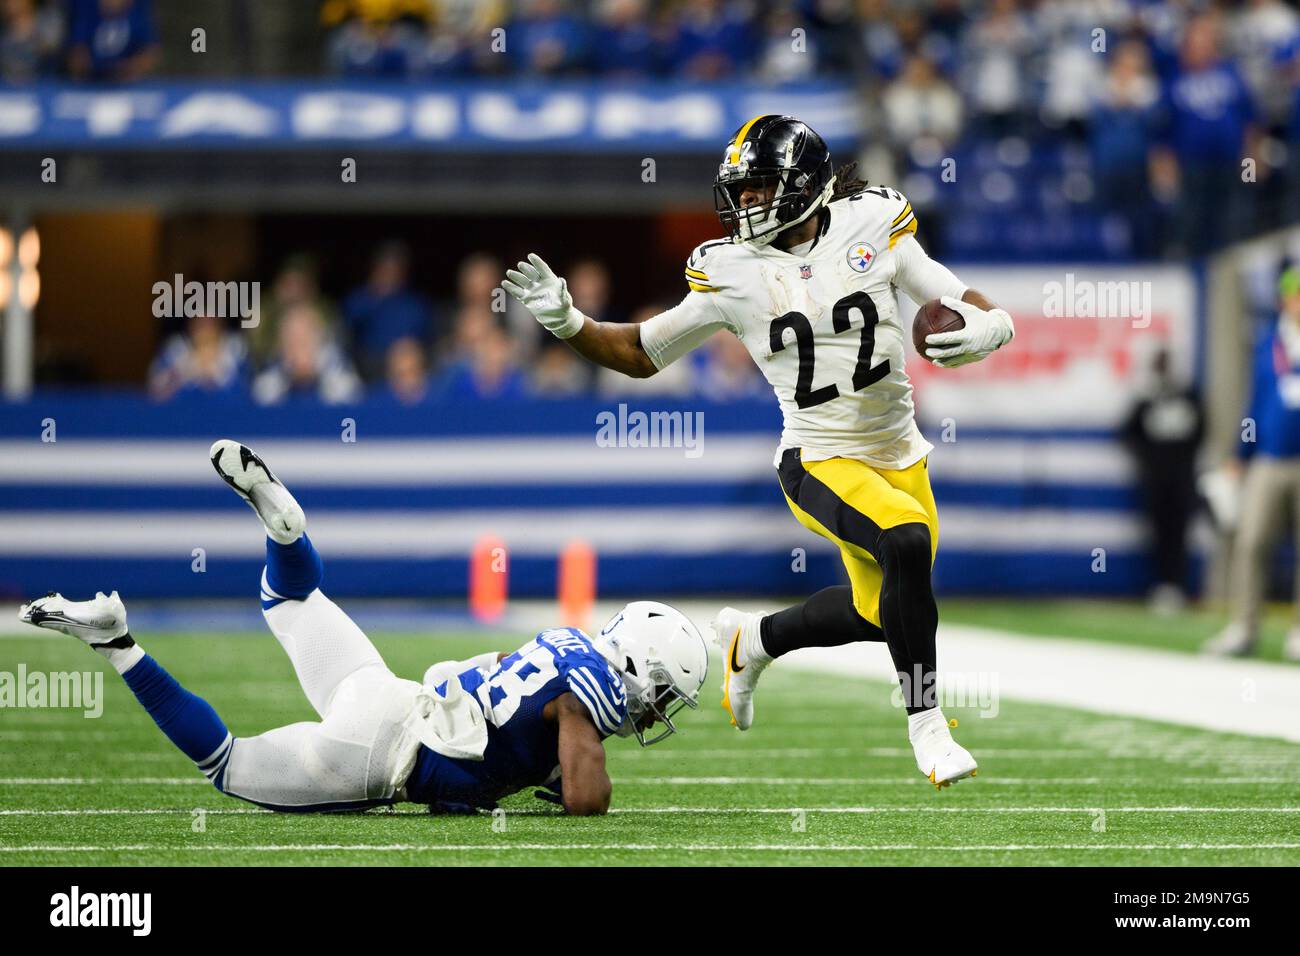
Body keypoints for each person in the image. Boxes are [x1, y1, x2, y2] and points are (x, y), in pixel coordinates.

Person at [505, 114, 1016, 789]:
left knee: (881, 609)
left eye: (759, 189)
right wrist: (570, 323)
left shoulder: (872, 220)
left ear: (804, 184)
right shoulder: (733, 270)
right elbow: (639, 352)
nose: (745, 205)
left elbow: (948, 292)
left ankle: (756, 640)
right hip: (816, 457)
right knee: (907, 541)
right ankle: (926, 726)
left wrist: (991, 324)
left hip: (899, 452)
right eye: (739, 192)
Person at [18, 440, 708, 815]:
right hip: (380, 756)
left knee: (287, 599)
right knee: (228, 765)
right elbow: (587, 801)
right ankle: (115, 640)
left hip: (390, 694)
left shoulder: (565, 643)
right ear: (642, 668)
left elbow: (510, 687)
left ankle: (287, 534)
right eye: (665, 693)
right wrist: (577, 763)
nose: (659, 711)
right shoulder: (588, 705)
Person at [1205, 266, 1300, 660]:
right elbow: (1255, 403)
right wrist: (1239, 455)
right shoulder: (1269, 343)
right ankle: (1244, 626)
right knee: (1252, 541)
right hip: (1269, 459)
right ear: (1284, 298)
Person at [1120, 348, 1204, 614]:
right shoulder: (1146, 398)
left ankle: (1178, 586)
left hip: (1181, 479)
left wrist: (1184, 460)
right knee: (1158, 533)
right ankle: (1162, 585)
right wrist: (1148, 460)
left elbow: (1202, 429)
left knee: (1179, 534)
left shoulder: (1187, 395)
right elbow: (1127, 432)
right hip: (1156, 480)